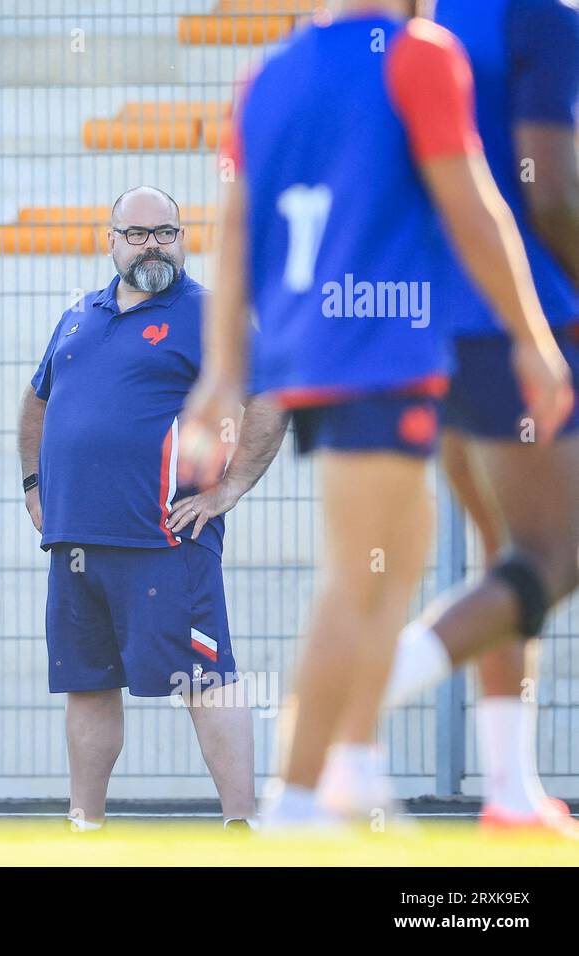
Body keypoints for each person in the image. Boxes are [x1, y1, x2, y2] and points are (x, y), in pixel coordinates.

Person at [179, 0, 572, 828]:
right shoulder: (417, 54)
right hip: (380, 349)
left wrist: (221, 373)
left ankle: (352, 769)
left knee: (403, 548)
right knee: (360, 574)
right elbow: (474, 210)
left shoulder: (269, 73)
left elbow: (235, 231)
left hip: (320, 347)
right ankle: (296, 797)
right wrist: (532, 336)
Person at [19, 187, 286, 831]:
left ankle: (241, 825)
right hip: (76, 541)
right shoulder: (78, 314)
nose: (152, 246)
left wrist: (229, 489)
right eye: (137, 234)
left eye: (165, 233)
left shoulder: (209, 313)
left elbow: (272, 396)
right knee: (87, 685)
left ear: (182, 238)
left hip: (166, 539)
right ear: (111, 241)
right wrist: (33, 485)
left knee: (204, 678)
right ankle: (85, 826)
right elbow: (37, 401)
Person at [378, 0, 579, 834]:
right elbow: (553, 192)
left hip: (426, 318)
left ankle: (510, 789)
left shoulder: (426, 20)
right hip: (516, 313)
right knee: (555, 554)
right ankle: (351, 704)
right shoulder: (541, 17)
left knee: (507, 552)